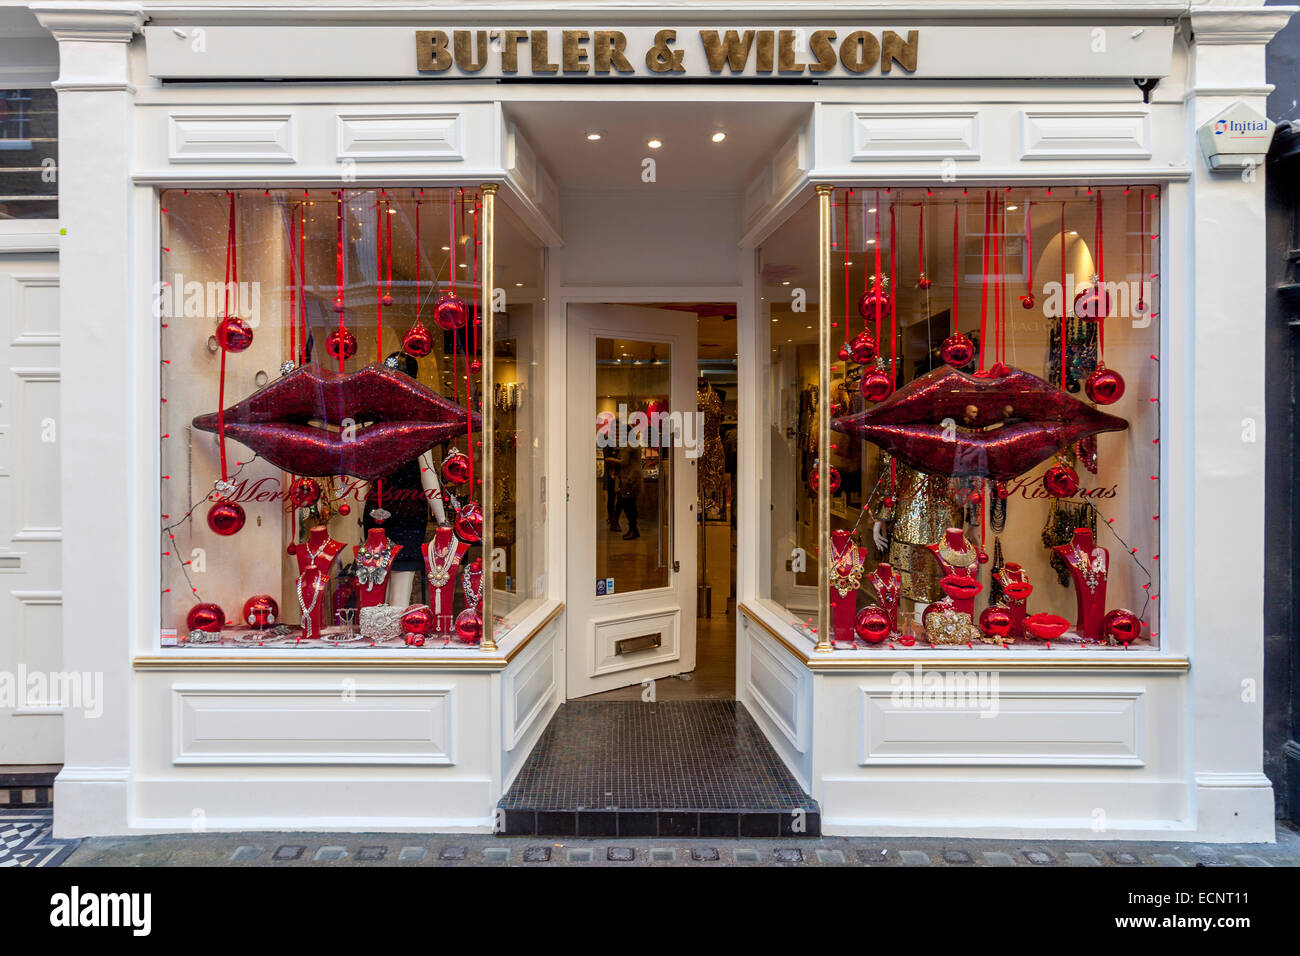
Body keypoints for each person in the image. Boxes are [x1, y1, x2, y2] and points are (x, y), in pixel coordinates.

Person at [617, 447, 643, 540]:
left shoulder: (630, 446)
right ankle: (633, 530)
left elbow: (624, 462)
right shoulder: (634, 445)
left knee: (628, 504)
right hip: (633, 478)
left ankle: (634, 530)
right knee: (630, 504)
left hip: (630, 479)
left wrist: (613, 460)